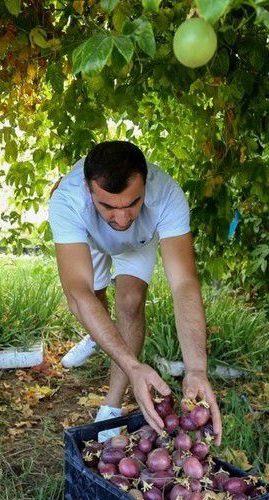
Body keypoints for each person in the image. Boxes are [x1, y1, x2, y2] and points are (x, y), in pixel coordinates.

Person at [48, 140, 222, 444]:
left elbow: (184, 284)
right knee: (94, 298)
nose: (123, 218)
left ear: (146, 184)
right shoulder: (67, 200)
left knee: (130, 301)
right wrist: (131, 362)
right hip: (88, 238)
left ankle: (111, 406)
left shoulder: (167, 194)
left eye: (133, 203)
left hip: (138, 243)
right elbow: (77, 291)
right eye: (108, 206)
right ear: (88, 191)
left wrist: (196, 368)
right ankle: (96, 337)